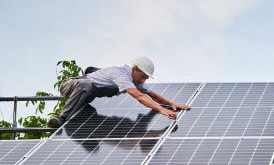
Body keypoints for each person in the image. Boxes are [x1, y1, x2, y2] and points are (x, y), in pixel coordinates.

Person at [48, 56, 191, 128]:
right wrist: (162, 110)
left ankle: (93, 72)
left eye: (146, 79)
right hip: (72, 86)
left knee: (99, 87)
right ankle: (61, 118)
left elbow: (151, 94)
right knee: (86, 84)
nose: (143, 81)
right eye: (142, 77)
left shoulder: (135, 80)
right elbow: (139, 97)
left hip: (87, 94)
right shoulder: (122, 74)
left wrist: (171, 103)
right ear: (134, 69)